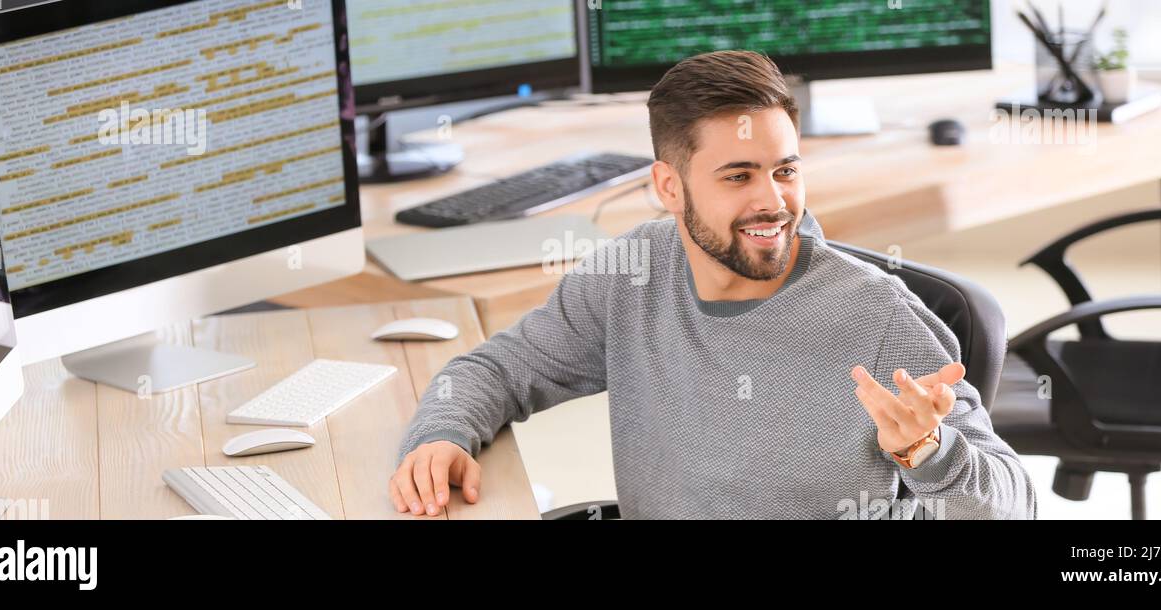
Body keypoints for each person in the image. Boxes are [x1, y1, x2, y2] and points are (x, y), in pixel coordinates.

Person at [389, 50, 1036, 519]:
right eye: (738, 176)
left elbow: (1016, 506)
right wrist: (441, 435)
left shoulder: (878, 318)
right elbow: (500, 369)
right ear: (669, 187)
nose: (772, 201)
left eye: (785, 170)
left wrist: (930, 451)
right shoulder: (634, 273)